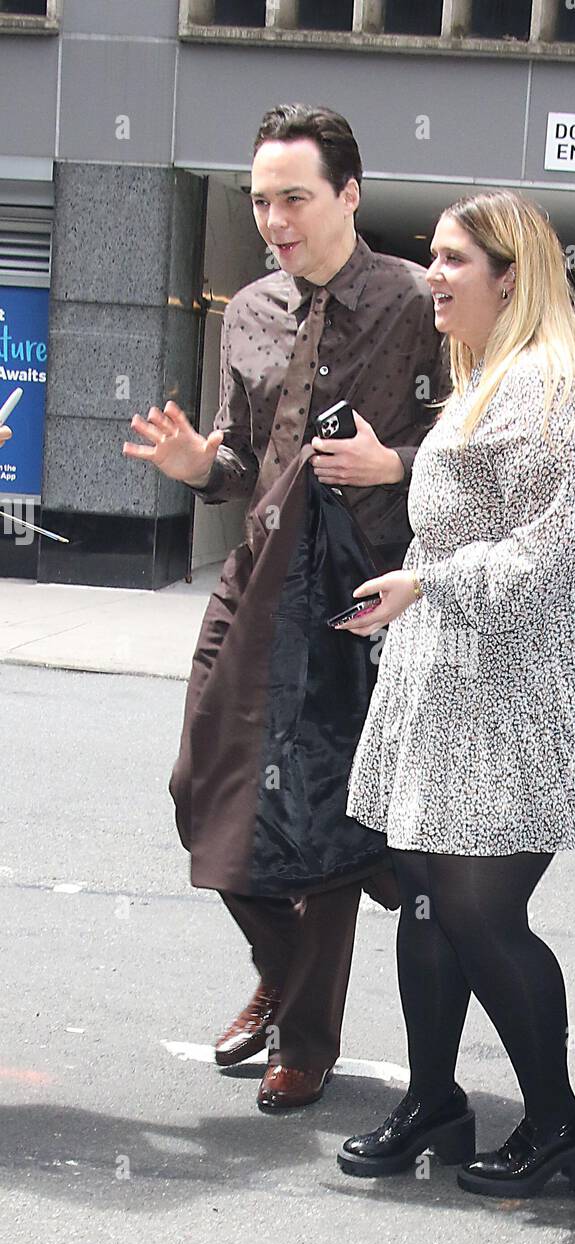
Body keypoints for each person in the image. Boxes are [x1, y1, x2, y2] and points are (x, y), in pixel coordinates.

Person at [333, 190, 575, 1197]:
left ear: (508, 275)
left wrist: (426, 581)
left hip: (517, 684)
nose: (431, 274)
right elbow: (467, 503)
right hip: (448, 675)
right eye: (429, 256)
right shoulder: (483, 380)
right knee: (429, 896)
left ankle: (560, 1126)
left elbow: (550, 549)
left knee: (478, 908)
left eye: (451, 259)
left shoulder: (549, 383)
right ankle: (434, 1098)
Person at [123, 105, 447, 1113]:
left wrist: (396, 460)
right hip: (256, 577)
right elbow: (236, 458)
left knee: (326, 826)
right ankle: (280, 961)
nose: (273, 218)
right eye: (261, 199)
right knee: (200, 784)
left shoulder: (409, 301)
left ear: (348, 195)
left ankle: (304, 1038)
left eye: (293, 197)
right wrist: (198, 466)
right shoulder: (248, 310)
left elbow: (468, 447)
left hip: (357, 591)